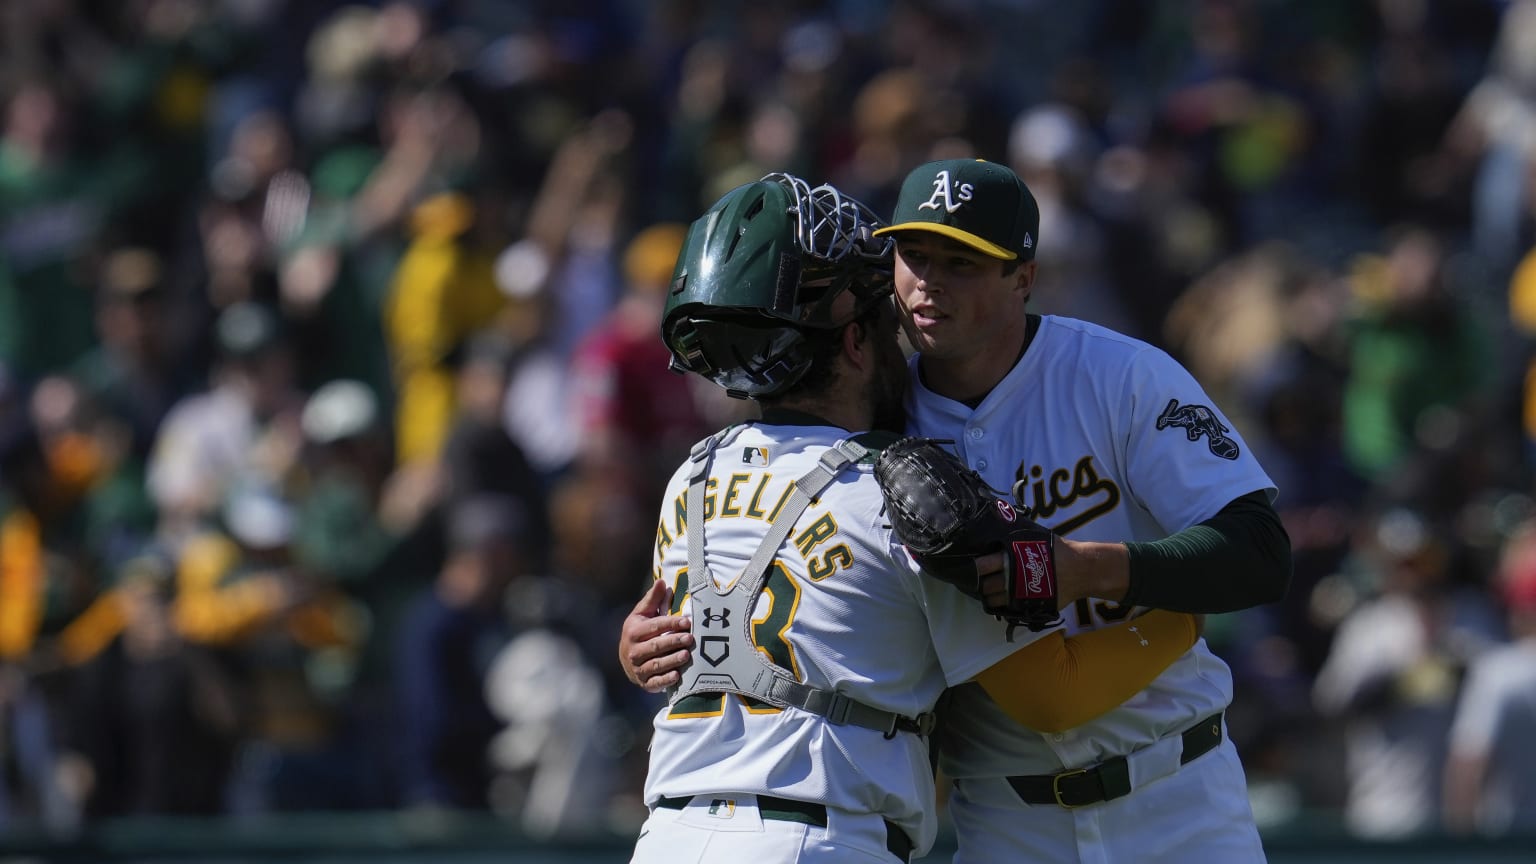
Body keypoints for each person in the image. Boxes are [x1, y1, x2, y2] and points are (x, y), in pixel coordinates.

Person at [621, 159, 1292, 863]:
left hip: (1177, 790)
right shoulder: (878, 441)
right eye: (914, 255)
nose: (928, 282)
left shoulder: (1118, 375)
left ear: (1024, 277)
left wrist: (1088, 571)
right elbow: (1049, 698)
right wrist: (641, 640)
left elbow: (1261, 554)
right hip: (1004, 814)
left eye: (963, 262)